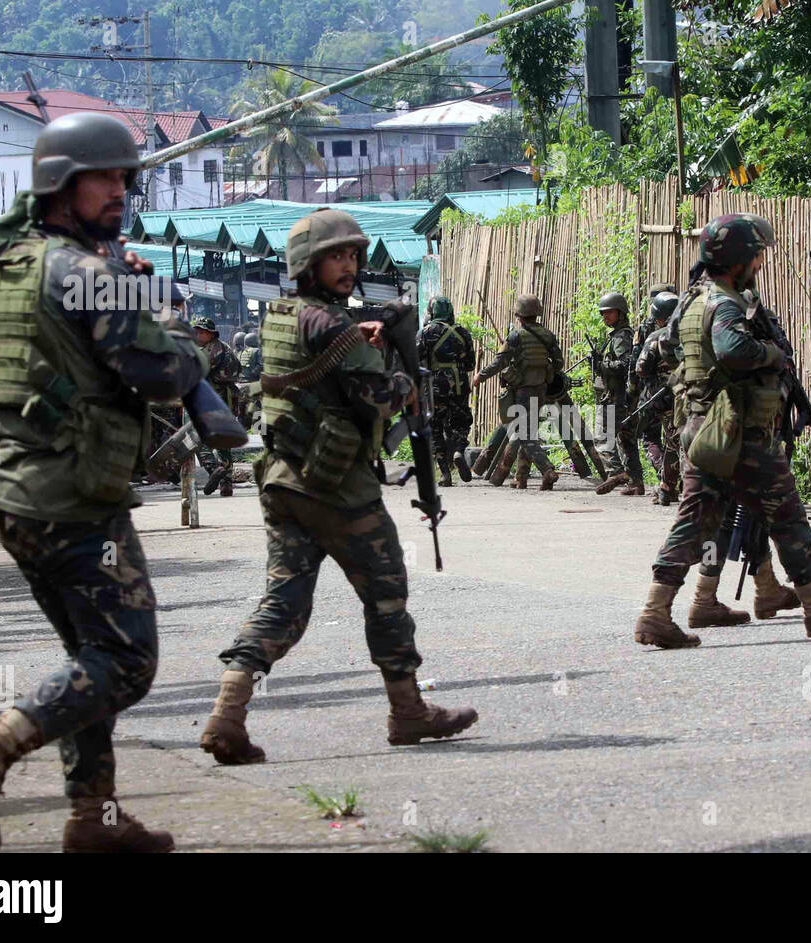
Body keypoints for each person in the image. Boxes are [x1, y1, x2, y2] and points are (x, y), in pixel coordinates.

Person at [0, 112, 210, 853]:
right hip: (74, 500)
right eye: (103, 177)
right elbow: (162, 374)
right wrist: (179, 334)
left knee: (90, 656)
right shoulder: (92, 275)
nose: (119, 189)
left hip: (20, 492)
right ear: (61, 186)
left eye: (125, 176)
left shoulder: (15, 263)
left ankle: (96, 820)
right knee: (126, 658)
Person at [201, 208, 477, 764]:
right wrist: (403, 378)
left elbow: (322, 364)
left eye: (353, 254)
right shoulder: (331, 326)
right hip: (336, 488)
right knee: (387, 593)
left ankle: (227, 711)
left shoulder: (285, 315)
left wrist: (362, 338)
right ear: (309, 263)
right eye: (337, 256)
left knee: (284, 600)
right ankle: (408, 711)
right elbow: (376, 397)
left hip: (283, 481)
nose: (349, 264)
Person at [634, 213, 811, 648]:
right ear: (738, 258)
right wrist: (771, 355)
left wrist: (702, 381)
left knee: (695, 522)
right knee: (787, 516)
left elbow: (670, 348)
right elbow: (734, 350)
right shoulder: (724, 303)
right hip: (740, 432)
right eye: (756, 256)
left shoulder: (691, 301)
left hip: (701, 428)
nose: (760, 263)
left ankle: (655, 612)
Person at [471, 295, 562, 491]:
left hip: (522, 392)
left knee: (525, 434)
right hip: (541, 390)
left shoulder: (516, 336)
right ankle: (521, 478)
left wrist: (481, 376)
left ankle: (548, 470)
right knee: (529, 431)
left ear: (519, 315)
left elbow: (500, 363)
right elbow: (559, 363)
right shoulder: (548, 335)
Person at [417, 295, 475, 486]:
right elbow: (470, 365)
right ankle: (459, 450)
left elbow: (418, 363)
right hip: (459, 386)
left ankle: (444, 474)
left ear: (432, 312)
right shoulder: (463, 333)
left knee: (435, 428)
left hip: (434, 388)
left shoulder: (425, 333)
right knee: (462, 422)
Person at [593, 292, 644, 496]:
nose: (605, 317)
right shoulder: (618, 335)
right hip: (623, 395)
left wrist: (601, 364)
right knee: (626, 438)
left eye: (609, 313)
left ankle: (616, 472)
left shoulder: (622, 336)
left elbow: (624, 365)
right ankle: (636, 482)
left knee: (602, 437)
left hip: (616, 396)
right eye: (603, 313)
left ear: (620, 313)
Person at [634, 291, 683, 505]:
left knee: (671, 441)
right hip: (693, 395)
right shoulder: (694, 334)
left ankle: (667, 487)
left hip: (664, 398)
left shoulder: (657, 336)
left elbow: (641, 368)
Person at [190, 316, 241, 496]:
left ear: (211, 334)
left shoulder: (214, 349)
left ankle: (214, 471)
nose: (198, 334)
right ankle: (226, 483)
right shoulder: (217, 347)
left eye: (201, 332)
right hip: (221, 402)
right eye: (196, 331)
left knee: (197, 439)